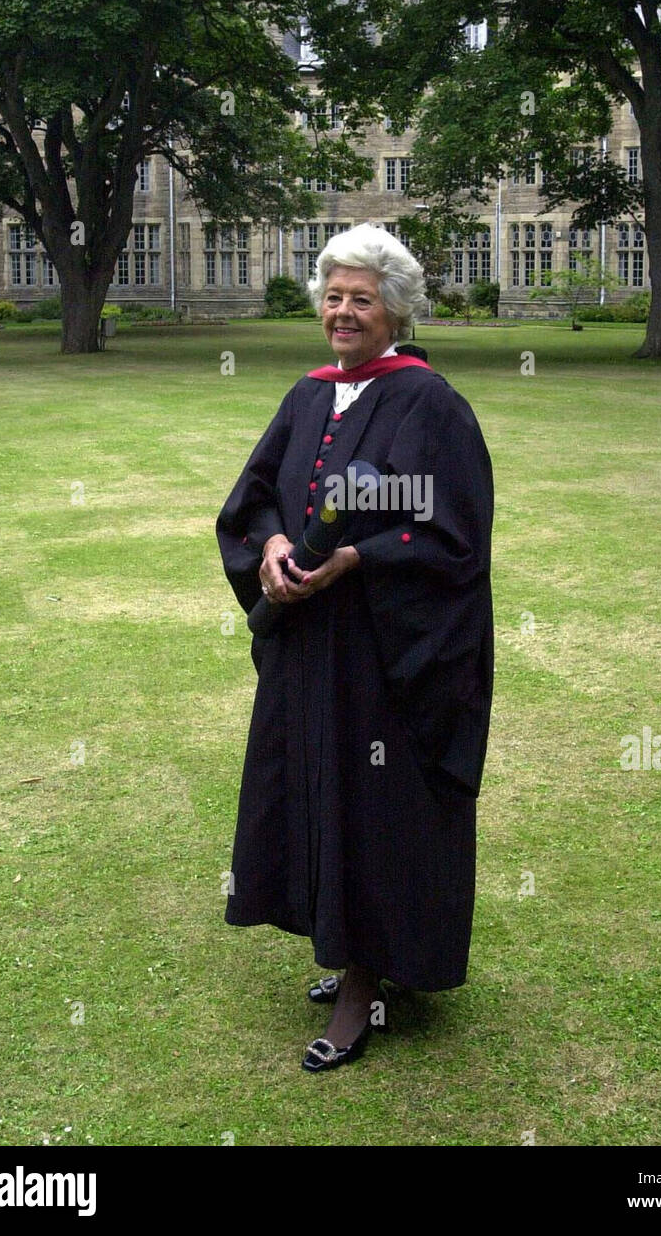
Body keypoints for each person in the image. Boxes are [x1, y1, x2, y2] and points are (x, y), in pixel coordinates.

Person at [216, 223, 494, 1072]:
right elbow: (255, 494)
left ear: (395, 310)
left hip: (384, 653)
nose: (343, 312)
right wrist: (267, 546)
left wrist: (353, 559)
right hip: (309, 645)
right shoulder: (307, 395)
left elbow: (452, 535)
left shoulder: (427, 402)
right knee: (313, 788)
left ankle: (365, 984)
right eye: (333, 297)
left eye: (361, 300)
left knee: (374, 806)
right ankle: (348, 950)